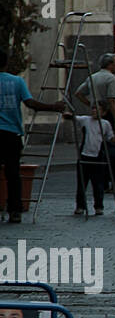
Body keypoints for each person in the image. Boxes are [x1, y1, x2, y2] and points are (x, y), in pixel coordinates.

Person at [0, 49, 71, 223]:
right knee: (13, 173)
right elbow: (30, 103)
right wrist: (53, 107)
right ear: (6, 63)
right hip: (11, 133)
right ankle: (15, 210)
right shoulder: (17, 81)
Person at [73, 110, 114, 216]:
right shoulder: (86, 120)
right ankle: (80, 206)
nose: (95, 111)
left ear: (103, 112)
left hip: (98, 156)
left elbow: (110, 137)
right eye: (93, 109)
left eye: (98, 109)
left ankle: (99, 206)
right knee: (82, 183)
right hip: (84, 155)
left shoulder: (105, 124)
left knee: (98, 184)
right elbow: (74, 117)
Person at [74, 52, 115, 129]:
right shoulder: (111, 78)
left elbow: (78, 93)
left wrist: (91, 104)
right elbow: (111, 100)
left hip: (96, 112)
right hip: (108, 113)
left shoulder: (92, 77)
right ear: (110, 64)